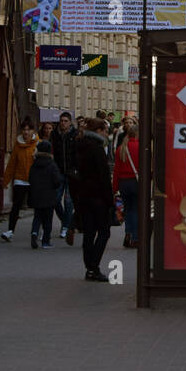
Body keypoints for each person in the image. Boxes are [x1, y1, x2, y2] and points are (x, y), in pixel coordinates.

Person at [70, 117, 114, 280]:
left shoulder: (79, 146)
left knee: (89, 232)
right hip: (98, 196)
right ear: (98, 131)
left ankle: (89, 267)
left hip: (83, 195)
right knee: (104, 231)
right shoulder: (97, 149)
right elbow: (103, 176)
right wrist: (110, 200)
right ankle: (93, 265)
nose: (106, 134)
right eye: (104, 131)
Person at [0, 119, 38, 241]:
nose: (26, 132)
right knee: (16, 205)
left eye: (28, 129)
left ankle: (37, 231)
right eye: (24, 129)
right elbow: (11, 163)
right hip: (20, 179)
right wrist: (6, 180)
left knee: (37, 206)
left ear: (33, 131)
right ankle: (10, 231)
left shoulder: (38, 144)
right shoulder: (18, 145)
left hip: (34, 180)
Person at [27, 140, 62, 248]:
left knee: (37, 217)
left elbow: (30, 178)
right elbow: (57, 180)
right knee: (47, 220)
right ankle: (45, 241)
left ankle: (34, 233)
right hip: (49, 195)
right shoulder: (52, 164)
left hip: (36, 194)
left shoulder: (34, 164)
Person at [51, 111, 79, 242]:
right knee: (55, 200)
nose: (63, 123)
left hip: (71, 172)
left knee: (68, 201)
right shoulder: (54, 134)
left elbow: (78, 153)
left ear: (70, 122)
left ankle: (66, 226)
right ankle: (65, 220)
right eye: (61, 121)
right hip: (58, 171)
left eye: (65, 121)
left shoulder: (75, 134)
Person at [113, 121, 140, 248]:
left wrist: (115, 187)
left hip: (123, 183)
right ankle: (135, 237)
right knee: (135, 210)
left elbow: (116, 170)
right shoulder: (141, 147)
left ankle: (128, 233)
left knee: (128, 210)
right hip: (136, 182)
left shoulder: (121, 148)